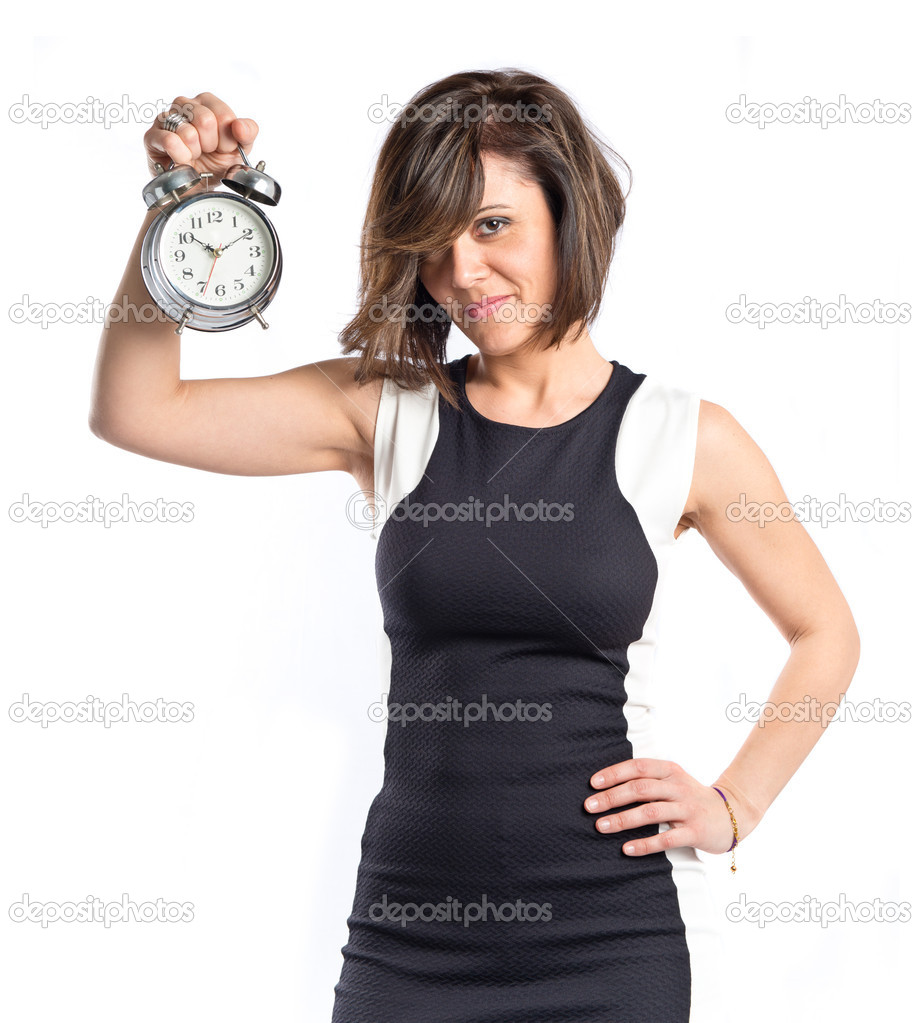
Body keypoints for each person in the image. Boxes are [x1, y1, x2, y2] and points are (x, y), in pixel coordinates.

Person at [89, 69, 860, 1023]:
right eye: (435, 243)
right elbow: (136, 410)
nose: (462, 272)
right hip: (406, 944)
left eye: (492, 225)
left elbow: (826, 632)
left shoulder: (686, 436)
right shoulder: (390, 410)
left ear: (567, 213)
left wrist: (736, 805)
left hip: (614, 942)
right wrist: (179, 207)